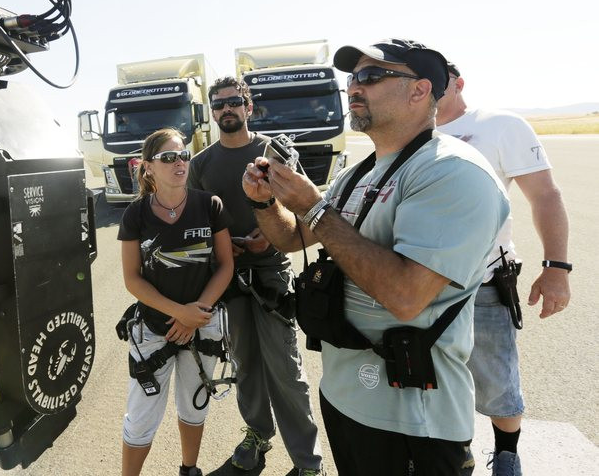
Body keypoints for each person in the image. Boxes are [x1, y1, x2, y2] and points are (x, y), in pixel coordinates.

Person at [242, 39, 510, 475]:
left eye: (370, 76)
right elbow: (293, 239)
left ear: (420, 91)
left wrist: (315, 207)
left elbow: (405, 296)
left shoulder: (452, 172)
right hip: (345, 396)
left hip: (415, 418)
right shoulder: (357, 173)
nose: (353, 87)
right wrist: (263, 203)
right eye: (352, 78)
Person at [436, 61, 571, 476]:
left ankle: (507, 456)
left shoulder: (497, 125)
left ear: (458, 84)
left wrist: (557, 268)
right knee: (434, 381)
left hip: (485, 280)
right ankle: (451, 456)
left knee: (497, 382)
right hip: (423, 283)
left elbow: (545, 194)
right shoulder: (410, 135)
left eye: (435, 81)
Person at [188, 76, 323, 476]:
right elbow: (200, 222)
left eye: (233, 102)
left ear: (248, 107)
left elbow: (301, 202)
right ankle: (257, 434)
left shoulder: (272, 152)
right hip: (229, 276)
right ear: (212, 112)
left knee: (284, 367)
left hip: (272, 273)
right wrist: (228, 242)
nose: (226, 109)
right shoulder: (201, 165)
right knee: (245, 362)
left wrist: (267, 235)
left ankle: (308, 462)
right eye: (218, 104)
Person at [118, 128, 234, 476]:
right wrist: (178, 314)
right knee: (140, 418)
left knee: (194, 408)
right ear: (148, 167)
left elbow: (226, 264)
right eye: (168, 157)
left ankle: (189, 469)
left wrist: (194, 314)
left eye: (183, 155)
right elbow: (132, 278)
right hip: (155, 329)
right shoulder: (136, 214)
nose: (179, 162)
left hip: (203, 323)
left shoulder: (209, 205)